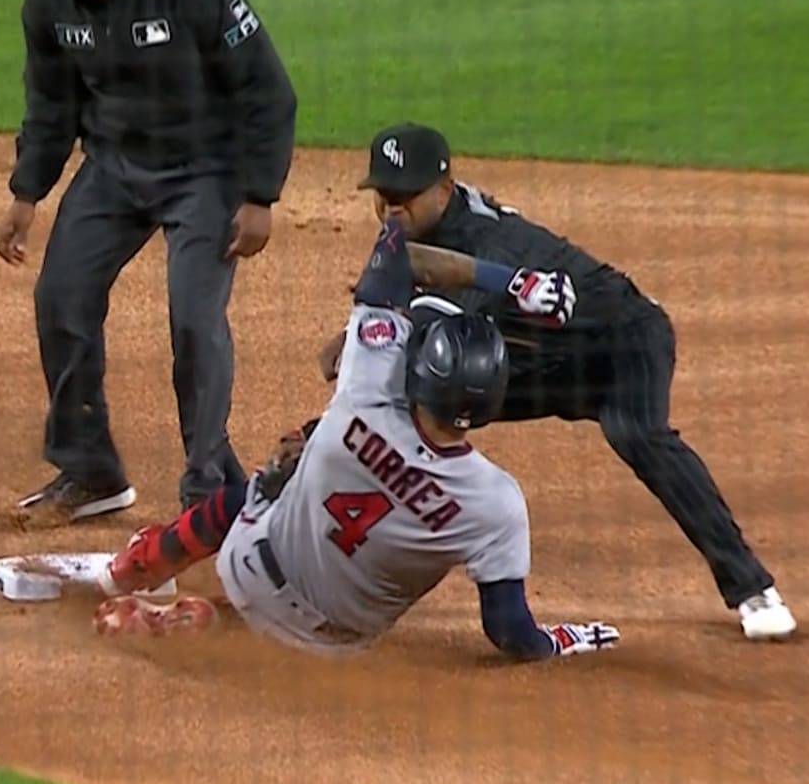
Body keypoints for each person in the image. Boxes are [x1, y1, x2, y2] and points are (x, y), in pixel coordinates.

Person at [321, 121, 796, 641]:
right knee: (416, 399)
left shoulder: (488, 243)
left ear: (444, 188)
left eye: (405, 197)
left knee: (635, 432)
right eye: (384, 196)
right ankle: (336, 550)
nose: (392, 209)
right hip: (542, 365)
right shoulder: (413, 227)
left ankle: (752, 588)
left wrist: (359, 343)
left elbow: (426, 326)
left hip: (621, 343)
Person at [92, 217, 621, 664]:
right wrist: (559, 640)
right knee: (314, 481)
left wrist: (515, 284)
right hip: (328, 645)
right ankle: (215, 621)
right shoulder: (496, 504)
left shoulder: (368, 385)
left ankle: (140, 565)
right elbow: (510, 631)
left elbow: (394, 252)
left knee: (268, 483)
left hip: (248, 565)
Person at [0, 0, 297, 519]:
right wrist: (26, 193)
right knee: (61, 297)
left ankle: (208, 489)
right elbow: (51, 105)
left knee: (194, 321)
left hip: (207, 169)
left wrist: (260, 195)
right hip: (115, 165)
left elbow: (266, 87)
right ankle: (91, 473)